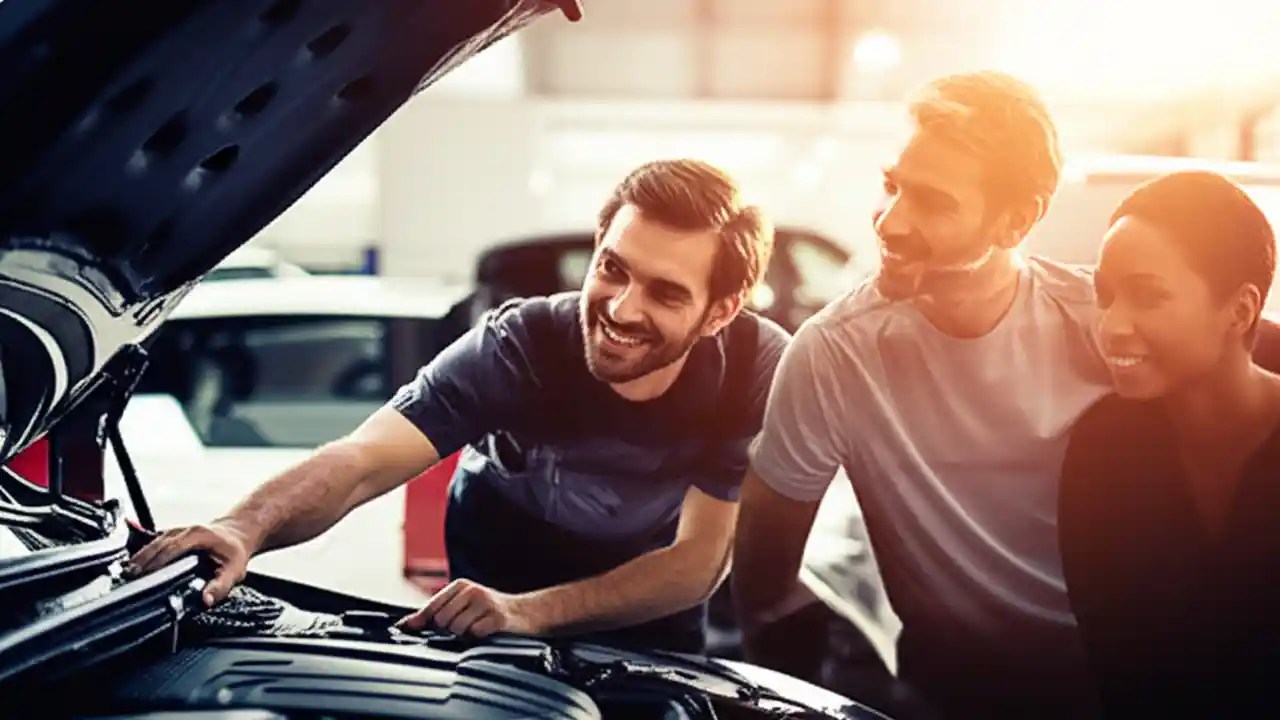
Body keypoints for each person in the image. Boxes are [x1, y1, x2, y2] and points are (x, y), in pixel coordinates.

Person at [128, 158, 790, 654]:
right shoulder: (520, 346)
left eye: (666, 294)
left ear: (720, 312)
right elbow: (365, 458)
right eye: (612, 267)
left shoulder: (755, 368)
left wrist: (529, 612)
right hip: (486, 619)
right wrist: (247, 525)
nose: (621, 308)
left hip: (646, 628)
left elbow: (696, 561)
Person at [731, 71, 1114, 718]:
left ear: (1018, 219)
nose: (891, 220)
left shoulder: (1103, 321)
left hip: (1118, 677)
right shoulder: (833, 352)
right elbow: (764, 586)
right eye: (891, 185)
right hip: (944, 690)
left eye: (934, 202)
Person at [1059, 171, 1280, 717]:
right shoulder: (1101, 451)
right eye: (1105, 297)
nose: (1112, 326)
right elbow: (1118, 670)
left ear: (1241, 309)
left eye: (1147, 296)